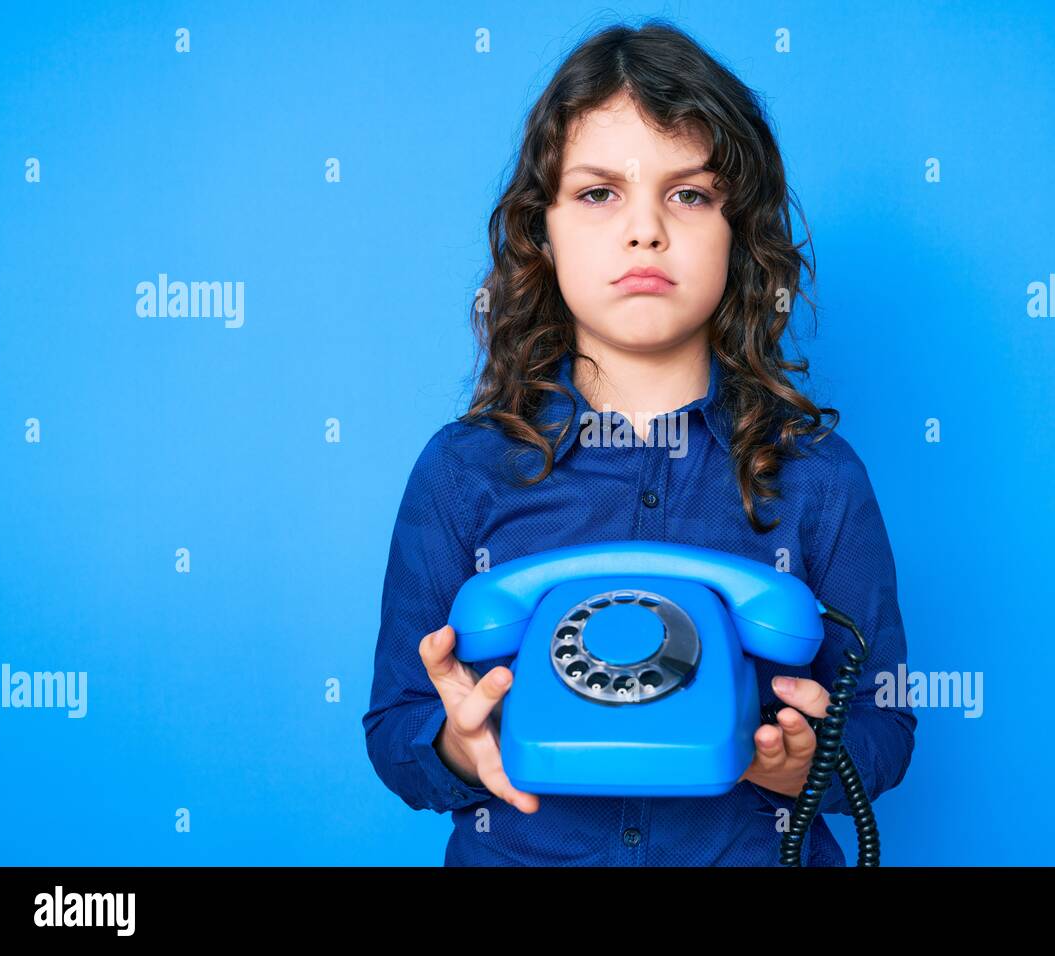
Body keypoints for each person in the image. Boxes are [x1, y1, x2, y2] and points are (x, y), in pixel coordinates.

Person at [362, 19, 915, 866]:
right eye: (598, 194)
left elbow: (883, 728)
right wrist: (455, 747)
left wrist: (808, 765)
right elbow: (397, 720)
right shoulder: (462, 472)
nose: (645, 231)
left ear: (740, 235)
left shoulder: (819, 478)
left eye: (689, 194)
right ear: (541, 233)